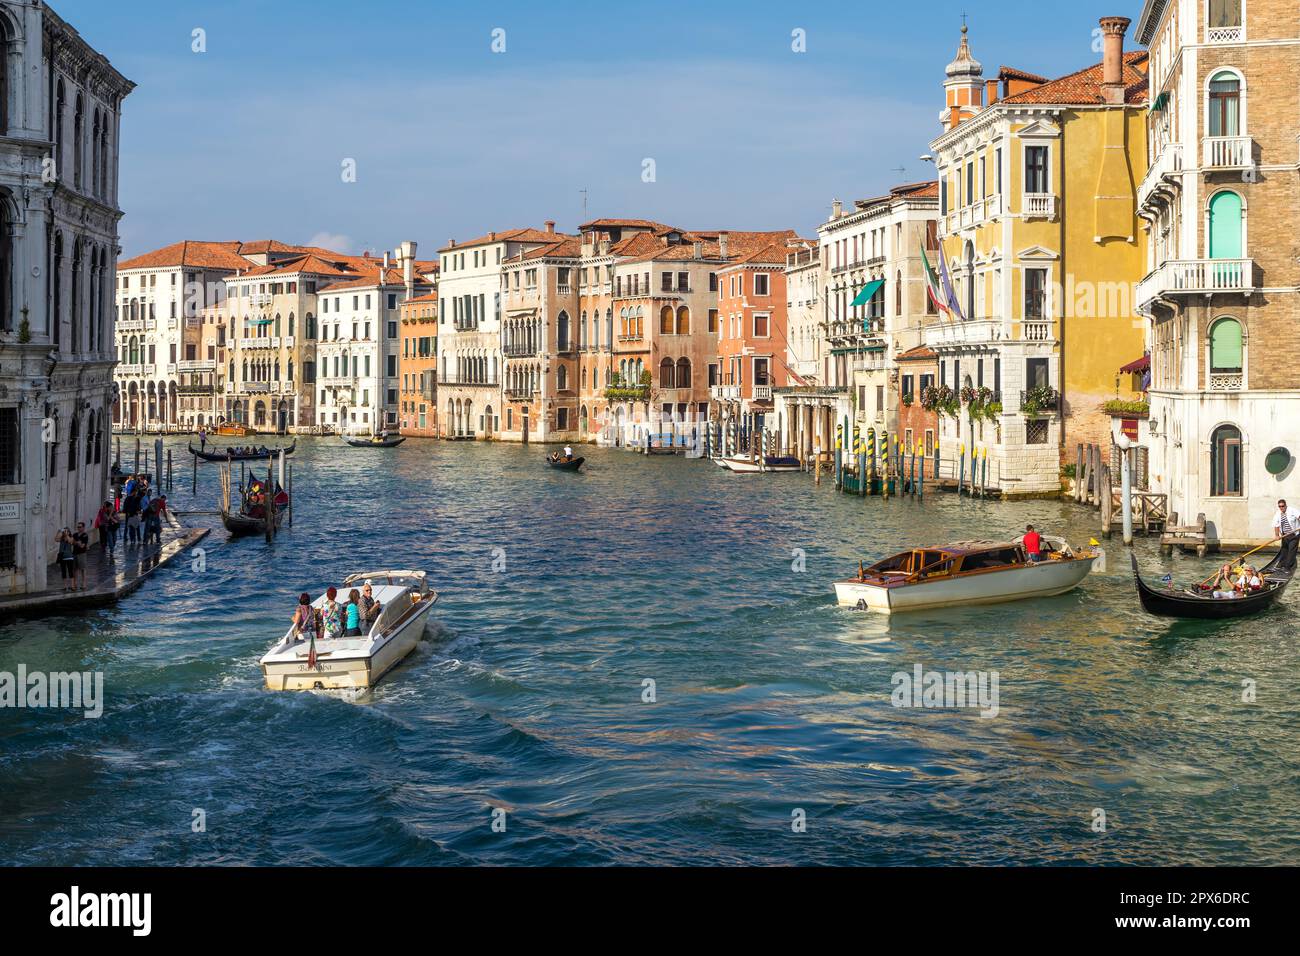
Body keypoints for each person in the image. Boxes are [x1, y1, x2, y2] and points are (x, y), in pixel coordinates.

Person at [1272, 499, 1299, 572]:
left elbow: (1299, 516)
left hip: (1294, 535)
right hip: (1284, 535)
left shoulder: (1292, 510)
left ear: (1285, 505)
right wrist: (1277, 535)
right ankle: (1281, 564)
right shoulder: (1278, 514)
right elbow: (1276, 525)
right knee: (1284, 549)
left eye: (1282, 506)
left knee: (1291, 551)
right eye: (1279, 506)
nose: (1281, 508)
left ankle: (1287, 567)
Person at [71, 522, 90, 590]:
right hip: (74, 553)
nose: (78, 528)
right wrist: (77, 543)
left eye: (80, 527)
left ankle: (84, 583)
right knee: (74, 569)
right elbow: (72, 542)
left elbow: (82, 546)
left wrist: (76, 543)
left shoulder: (85, 535)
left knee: (83, 569)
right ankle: (75, 583)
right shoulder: (75, 534)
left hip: (82, 554)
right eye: (78, 527)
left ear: (83, 528)